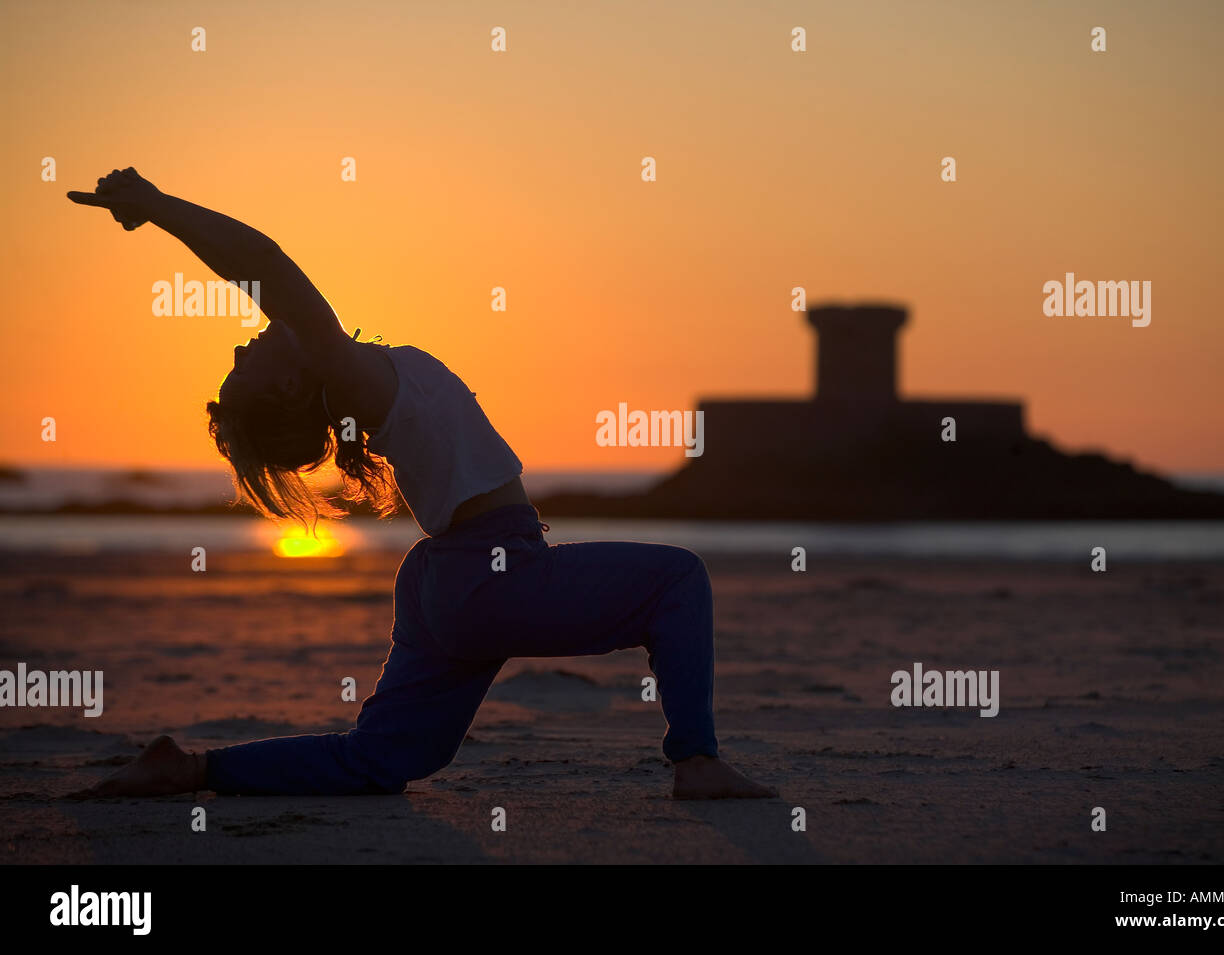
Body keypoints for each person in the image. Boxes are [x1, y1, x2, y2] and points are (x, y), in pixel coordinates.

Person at [67, 168, 775, 800]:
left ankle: (189, 769)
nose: (240, 344)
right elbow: (265, 263)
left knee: (377, 759)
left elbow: (269, 277)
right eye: (243, 366)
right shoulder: (347, 372)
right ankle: (697, 761)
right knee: (677, 580)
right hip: (494, 576)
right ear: (288, 383)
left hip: (446, 581)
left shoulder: (359, 382)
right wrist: (160, 207)